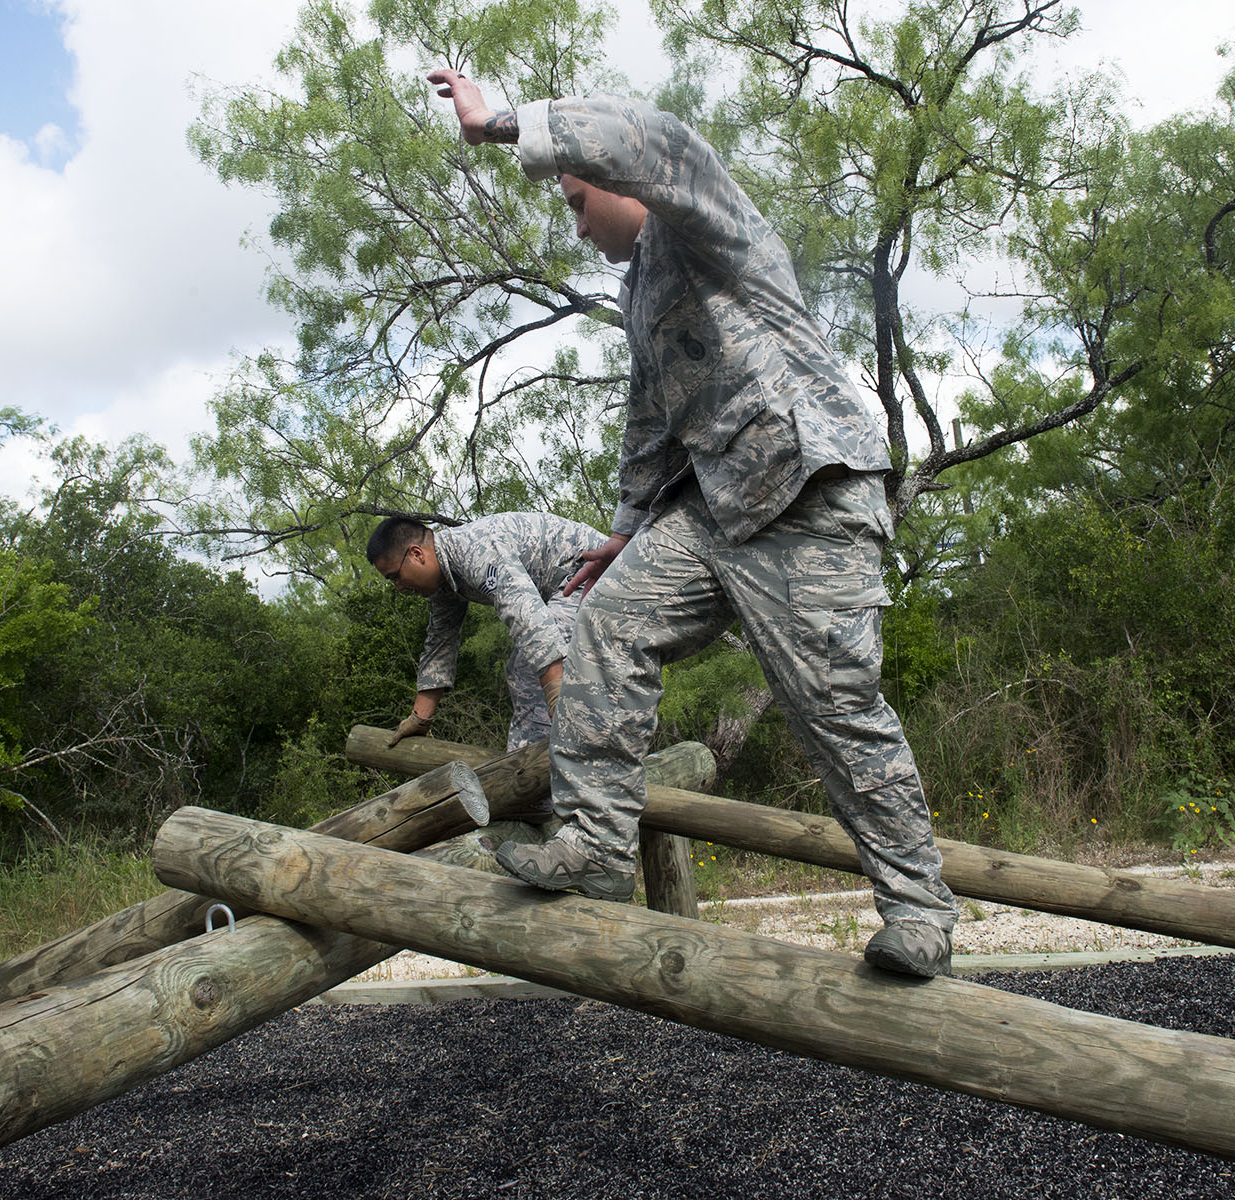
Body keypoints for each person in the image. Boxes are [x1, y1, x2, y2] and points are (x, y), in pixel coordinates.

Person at [425, 70, 957, 978]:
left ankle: (920, 912)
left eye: (579, 200)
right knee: (605, 625)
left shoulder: (707, 219)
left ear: (625, 187)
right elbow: (648, 420)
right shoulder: (639, 296)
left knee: (834, 708)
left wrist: (503, 127)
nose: (576, 222)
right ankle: (595, 848)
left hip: (806, 488)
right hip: (708, 510)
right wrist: (626, 530)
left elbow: (644, 133)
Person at [368, 511, 606, 752]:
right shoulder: (445, 580)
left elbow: (525, 613)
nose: (398, 587)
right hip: (570, 587)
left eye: (395, 577)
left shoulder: (474, 550)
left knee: (526, 668)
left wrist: (556, 692)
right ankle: (536, 766)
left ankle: (545, 767)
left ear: (416, 554)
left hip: (597, 572)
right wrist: (420, 718)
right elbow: (440, 642)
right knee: (527, 665)